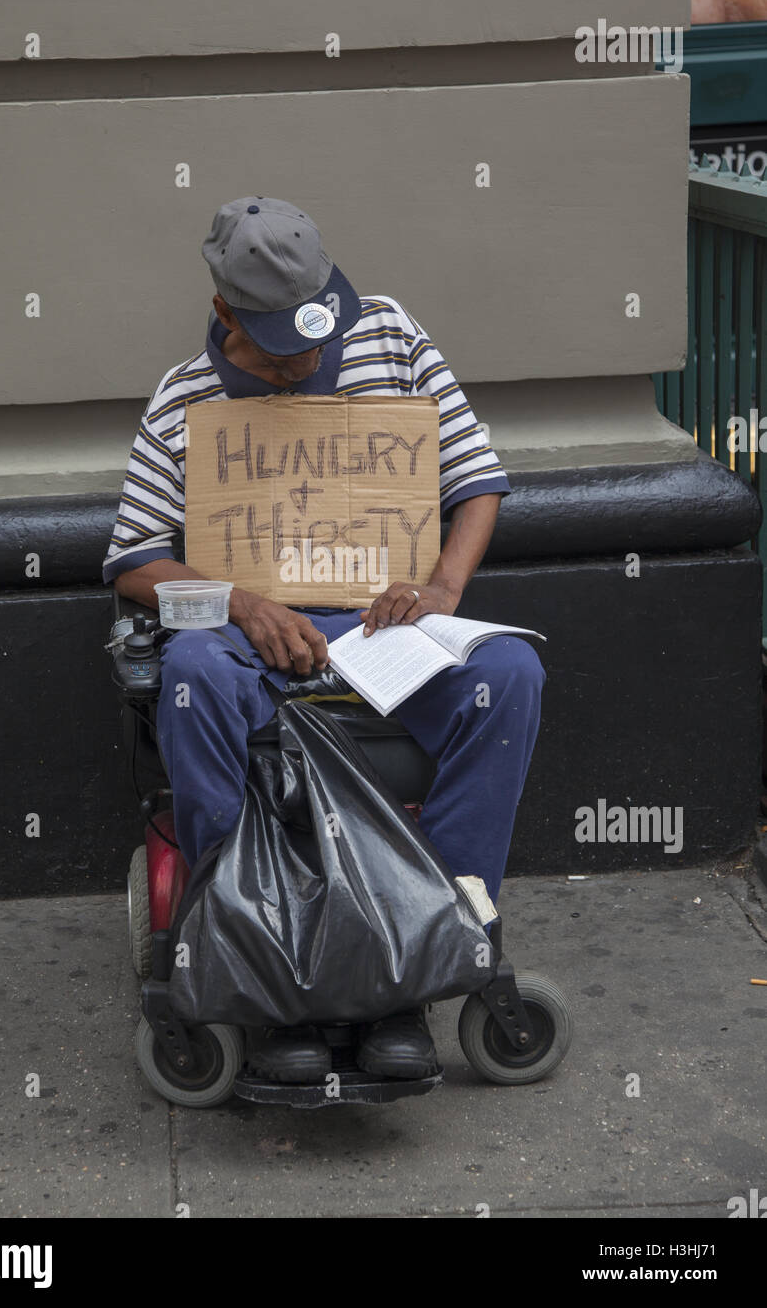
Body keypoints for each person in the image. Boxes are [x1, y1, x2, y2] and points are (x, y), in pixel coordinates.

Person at [103, 196, 545, 1082]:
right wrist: (241, 604)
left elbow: (476, 478)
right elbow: (135, 560)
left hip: (386, 621)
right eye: (280, 344)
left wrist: (441, 588)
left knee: (510, 671)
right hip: (254, 632)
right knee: (191, 670)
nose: (303, 360)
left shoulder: (389, 333)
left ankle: (428, 946)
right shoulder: (185, 395)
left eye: (313, 335)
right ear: (226, 311)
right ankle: (253, 954)